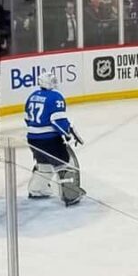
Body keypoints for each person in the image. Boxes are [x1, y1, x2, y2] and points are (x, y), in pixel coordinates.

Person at [24, 70, 85, 206]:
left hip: (32, 138)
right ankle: (70, 195)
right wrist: (68, 133)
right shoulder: (55, 97)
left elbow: (27, 118)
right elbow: (57, 120)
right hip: (49, 140)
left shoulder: (32, 96)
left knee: (44, 164)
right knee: (64, 164)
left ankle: (37, 190)